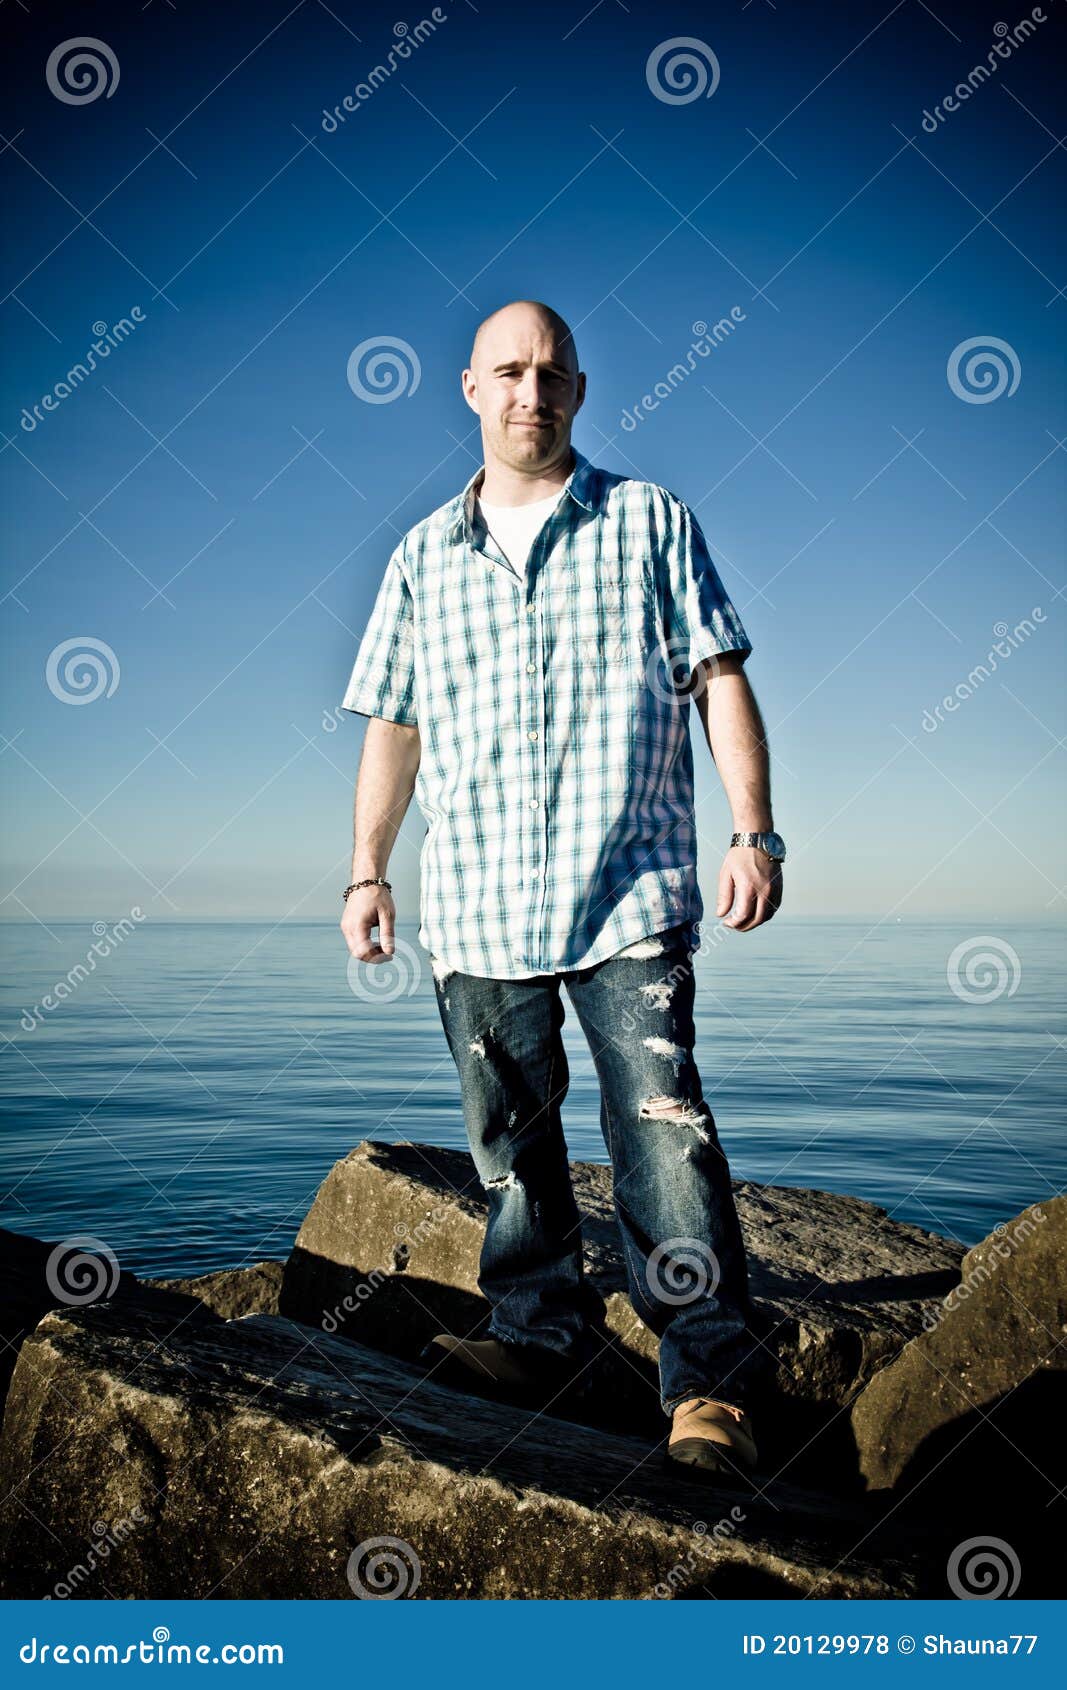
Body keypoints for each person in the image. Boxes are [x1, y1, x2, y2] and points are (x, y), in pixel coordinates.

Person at [339, 299, 784, 1481]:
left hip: (627, 896)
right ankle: (541, 1340)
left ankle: (708, 1388)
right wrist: (366, 871)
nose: (529, 391)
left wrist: (755, 831)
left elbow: (718, 681)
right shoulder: (421, 555)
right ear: (471, 391)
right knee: (509, 1150)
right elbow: (393, 725)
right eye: (507, 372)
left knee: (663, 1140)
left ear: (577, 392)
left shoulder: (647, 522)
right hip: (477, 909)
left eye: (550, 372)